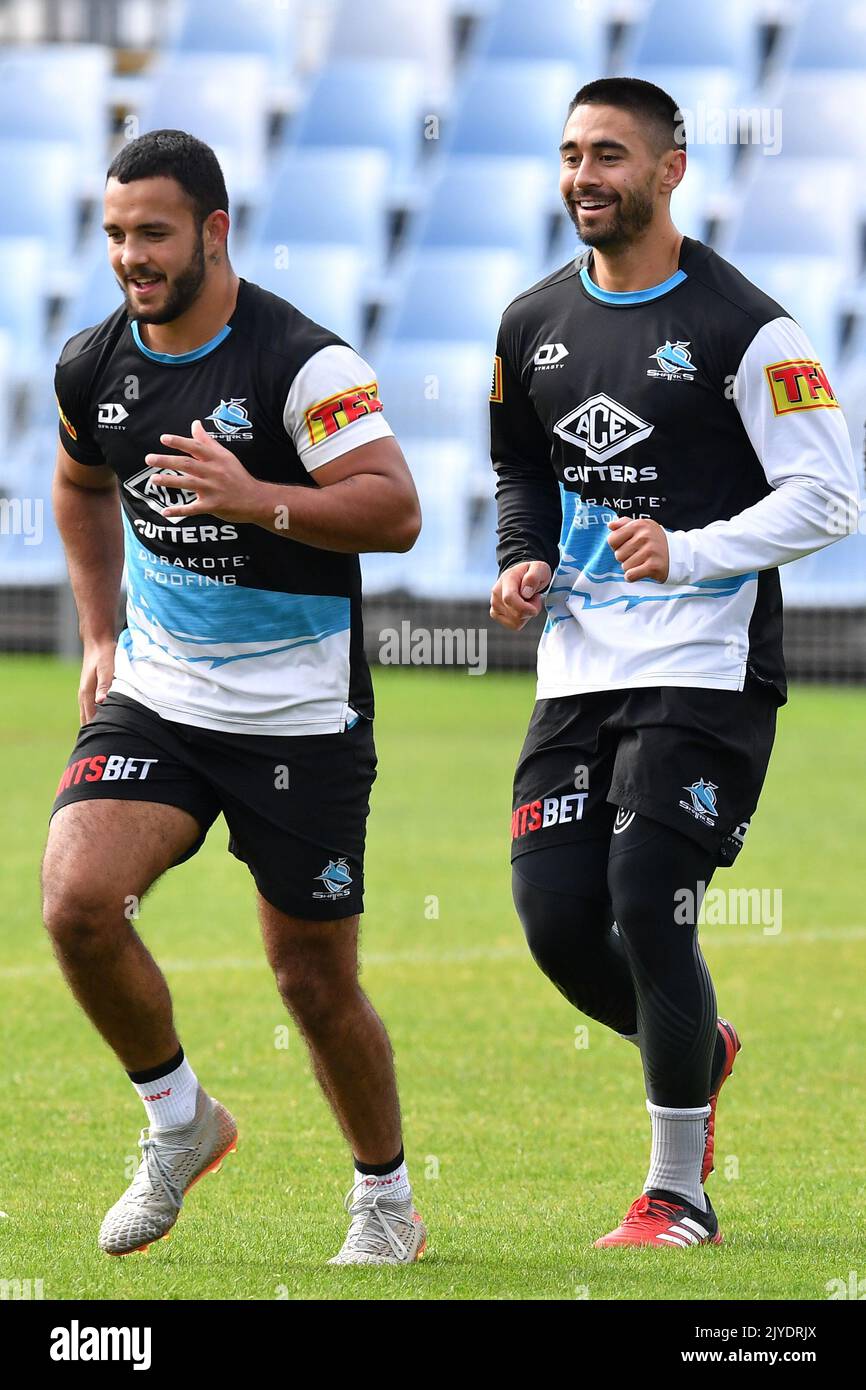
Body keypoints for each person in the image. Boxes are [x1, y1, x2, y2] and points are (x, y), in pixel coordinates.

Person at [44, 129, 426, 1265]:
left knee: (311, 982)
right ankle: (180, 1123)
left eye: (152, 231)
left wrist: (256, 498)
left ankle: (386, 1198)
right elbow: (75, 485)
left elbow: (394, 510)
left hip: (299, 720)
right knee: (75, 904)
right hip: (159, 696)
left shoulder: (303, 366)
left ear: (214, 229)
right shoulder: (93, 363)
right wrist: (99, 632)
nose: (129, 256)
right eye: (114, 233)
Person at [489, 78, 858, 1247]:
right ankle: (700, 1044)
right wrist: (519, 560)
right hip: (579, 665)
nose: (582, 175)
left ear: (668, 170)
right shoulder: (527, 322)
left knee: (649, 898)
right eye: (568, 154)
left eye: (608, 153)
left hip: (705, 665)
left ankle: (675, 1191)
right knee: (556, 922)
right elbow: (522, 473)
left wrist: (691, 551)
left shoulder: (746, 329)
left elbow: (827, 496)